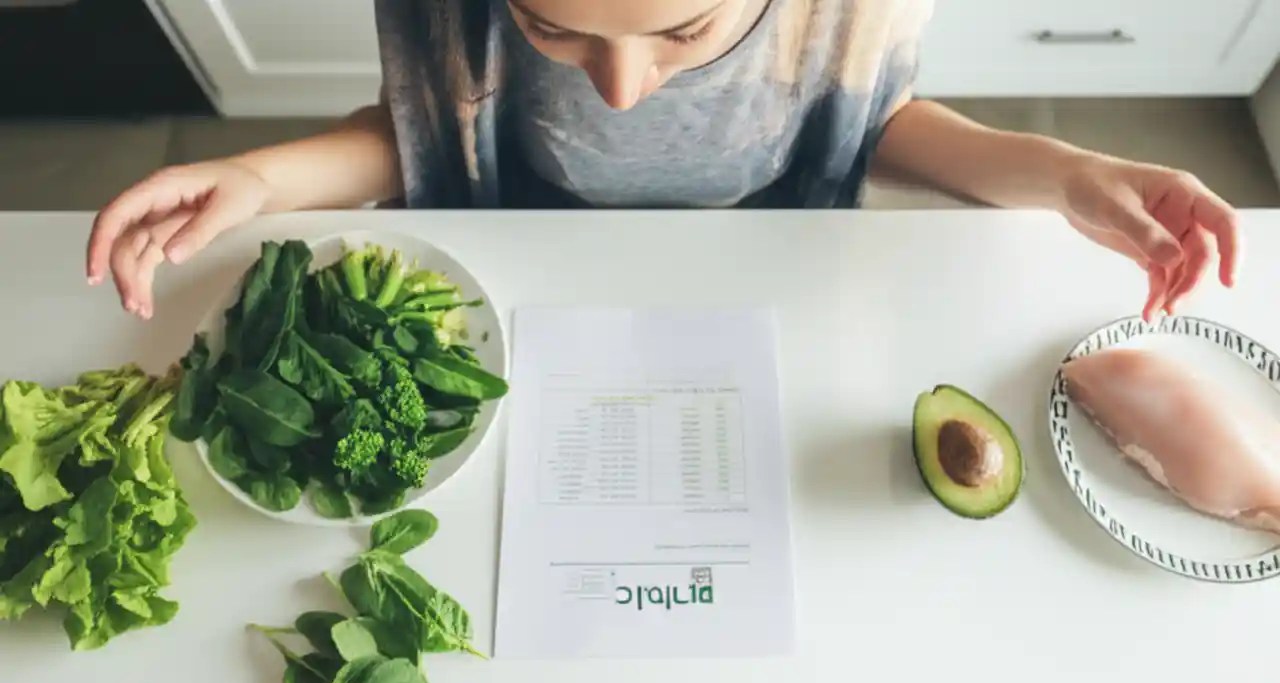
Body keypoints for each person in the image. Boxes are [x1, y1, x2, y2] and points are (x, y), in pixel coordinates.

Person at [86, 0, 1240, 323]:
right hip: (528, 257)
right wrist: (265, 181)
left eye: (681, 36)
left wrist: (1061, 173)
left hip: (763, 269)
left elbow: (877, 125)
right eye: (552, 31)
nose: (619, 87)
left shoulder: (837, 15)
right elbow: (425, 127)